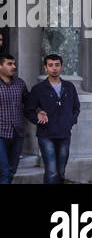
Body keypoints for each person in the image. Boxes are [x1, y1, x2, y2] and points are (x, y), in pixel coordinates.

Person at [23, 54, 79, 184]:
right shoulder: (38, 89)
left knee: (61, 172)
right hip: (46, 134)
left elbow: (76, 107)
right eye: (51, 65)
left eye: (57, 65)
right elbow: (29, 109)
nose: (54, 68)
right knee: (51, 171)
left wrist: (71, 120)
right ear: (45, 67)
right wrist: (37, 117)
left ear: (61, 67)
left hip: (64, 134)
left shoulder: (69, 87)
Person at [0, 53, 28, 184]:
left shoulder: (20, 83)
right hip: (0, 133)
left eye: (14, 63)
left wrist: (40, 111)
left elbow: (29, 103)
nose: (14, 66)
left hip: (17, 133)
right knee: (4, 170)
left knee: (11, 170)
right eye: (9, 64)